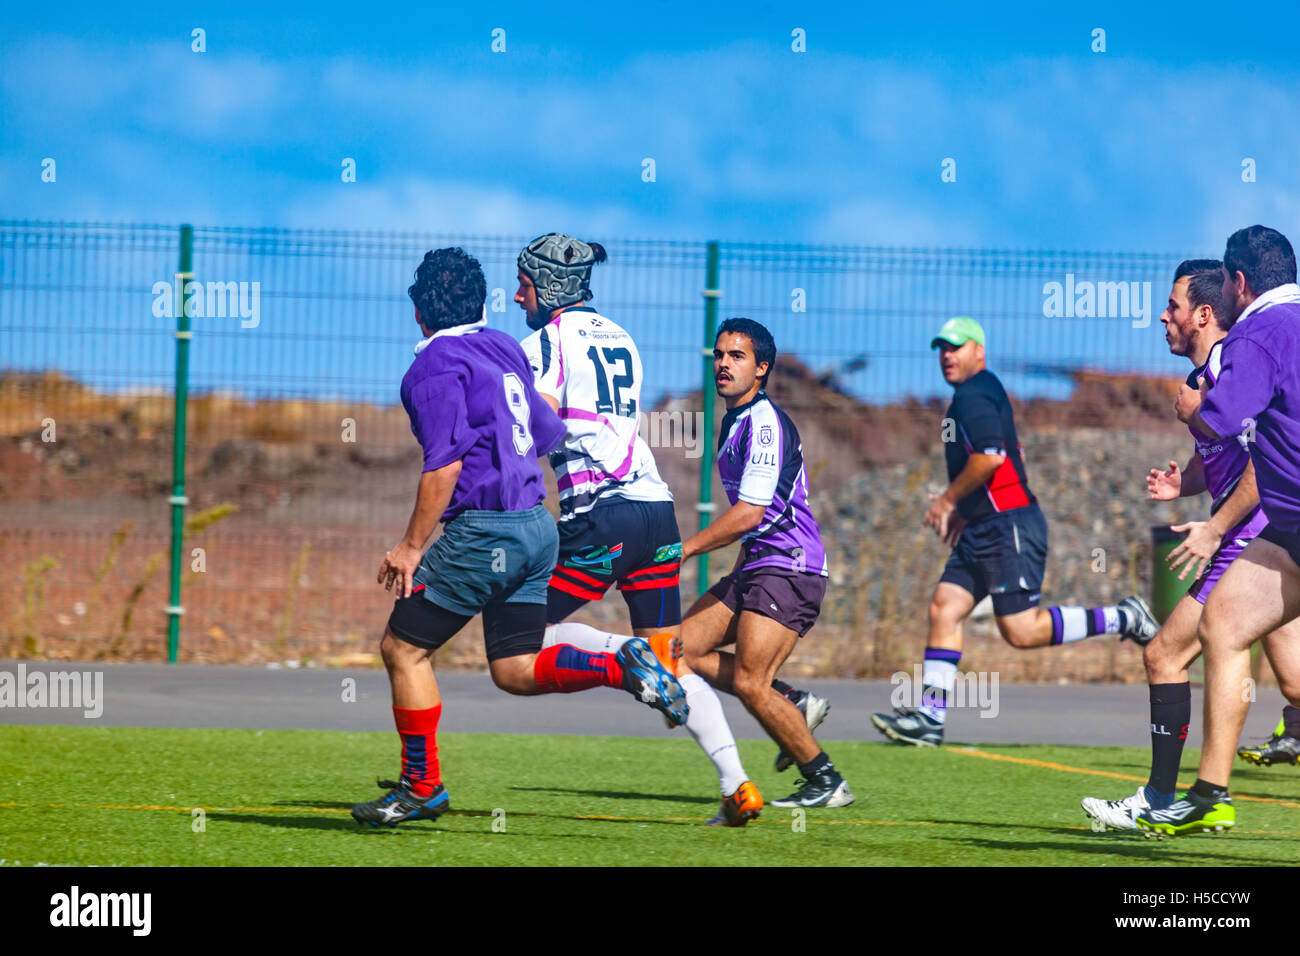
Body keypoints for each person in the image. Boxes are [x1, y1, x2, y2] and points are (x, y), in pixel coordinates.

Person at [350, 247, 688, 827]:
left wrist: (410, 548)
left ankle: (421, 787)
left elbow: (443, 467)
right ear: (482, 303)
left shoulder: (432, 366)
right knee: (514, 668)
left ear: (417, 313)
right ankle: (621, 666)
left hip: (485, 531)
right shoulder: (505, 347)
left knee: (402, 650)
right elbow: (547, 428)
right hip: (536, 526)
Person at [513, 233, 763, 826]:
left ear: (548, 287)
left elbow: (542, 421)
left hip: (604, 512)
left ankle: (621, 658)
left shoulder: (544, 339)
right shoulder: (619, 335)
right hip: (656, 511)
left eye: (524, 282)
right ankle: (739, 787)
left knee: (517, 636)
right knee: (670, 658)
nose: (517, 294)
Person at [872, 317, 1159, 747]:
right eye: (941, 349)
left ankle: (1125, 616)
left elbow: (990, 457)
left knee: (1020, 630)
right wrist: (967, 511)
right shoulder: (971, 396)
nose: (946, 355)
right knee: (944, 607)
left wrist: (948, 501)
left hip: (1010, 527)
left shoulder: (975, 393)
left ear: (978, 351)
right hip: (985, 527)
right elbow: (991, 467)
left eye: (956, 347)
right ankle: (929, 719)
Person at [1081, 259, 1280, 830]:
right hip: (1253, 532)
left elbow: (1265, 455)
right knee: (1289, 683)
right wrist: (1183, 482)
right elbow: (1221, 457)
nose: (1162, 316)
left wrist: (1220, 528)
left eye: (1172, 306)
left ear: (1203, 314)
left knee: (1164, 653)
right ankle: (1196, 795)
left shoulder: (1227, 368)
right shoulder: (1201, 382)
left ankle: (1170, 798)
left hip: (1256, 535)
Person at [1137, 225, 1300, 837]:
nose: (1164, 316)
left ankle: (1183, 794)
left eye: (1172, 307)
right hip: (1287, 533)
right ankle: (1208, 794)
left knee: (1192, 644)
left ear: (1237, 283)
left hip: (1283, 524)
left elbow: (1229, 420)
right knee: (1224, 627)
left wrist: (1193, 412)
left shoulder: (1258, 332)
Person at [680, 317, 854, 810]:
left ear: (761, 369)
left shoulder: (762, 423)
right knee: (679, 650)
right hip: (759, 564)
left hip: (790, 566)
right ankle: (791, 700)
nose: (723, 364)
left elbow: (750, 513)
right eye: (719, 355)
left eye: (736, 356)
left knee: (749, 682)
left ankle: (826, 781)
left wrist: (687, 548)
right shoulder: (733, 421)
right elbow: (754, 517)